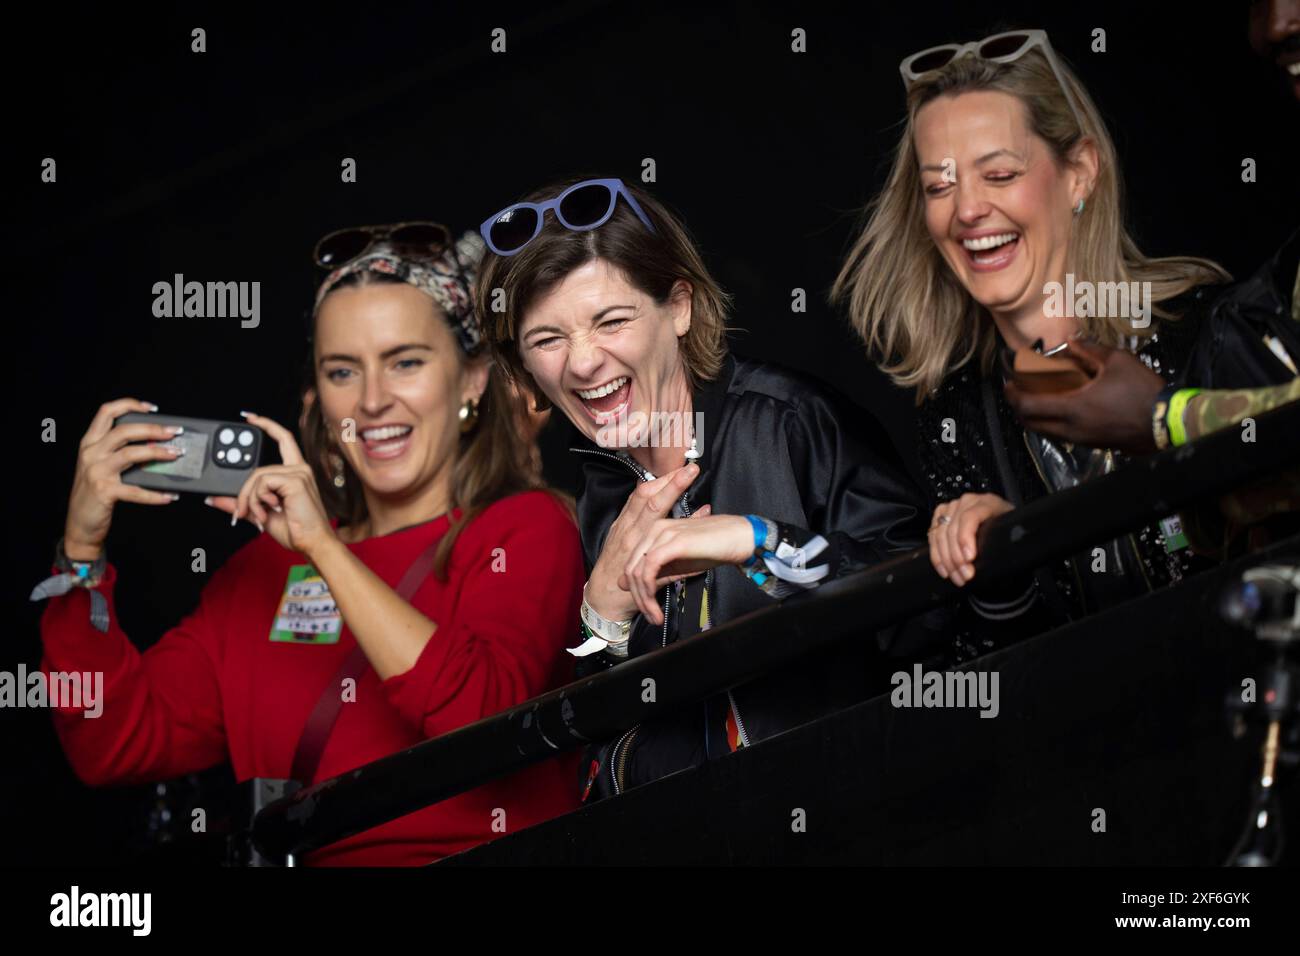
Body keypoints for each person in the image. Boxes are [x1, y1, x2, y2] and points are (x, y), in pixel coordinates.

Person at [32, 224, 586, 865]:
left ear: (471, 382)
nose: (374, 400)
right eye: (343, 371)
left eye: (406, 361)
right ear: (318, 399)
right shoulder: (263, 572)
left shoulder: (523, 529)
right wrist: (81, 552)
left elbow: (484, 723)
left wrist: (324, 548)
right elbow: (112, 744)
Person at [832, 29, 1292, 664]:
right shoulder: (958, 414)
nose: (967, 209)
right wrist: (1004, 565)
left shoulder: (1209, 330)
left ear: (1079, 173)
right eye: (939, 187)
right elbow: (1008, 684)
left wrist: (1164, 422)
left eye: (999, 173)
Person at [475, 176, 927, 799]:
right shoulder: (603, 493)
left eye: (610, 321)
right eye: (548, 340)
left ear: (679, 307)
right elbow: (609, 742)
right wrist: (601, 620)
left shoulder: (790, 421)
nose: (581, 363)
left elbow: (929, 599)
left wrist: (758, 541)